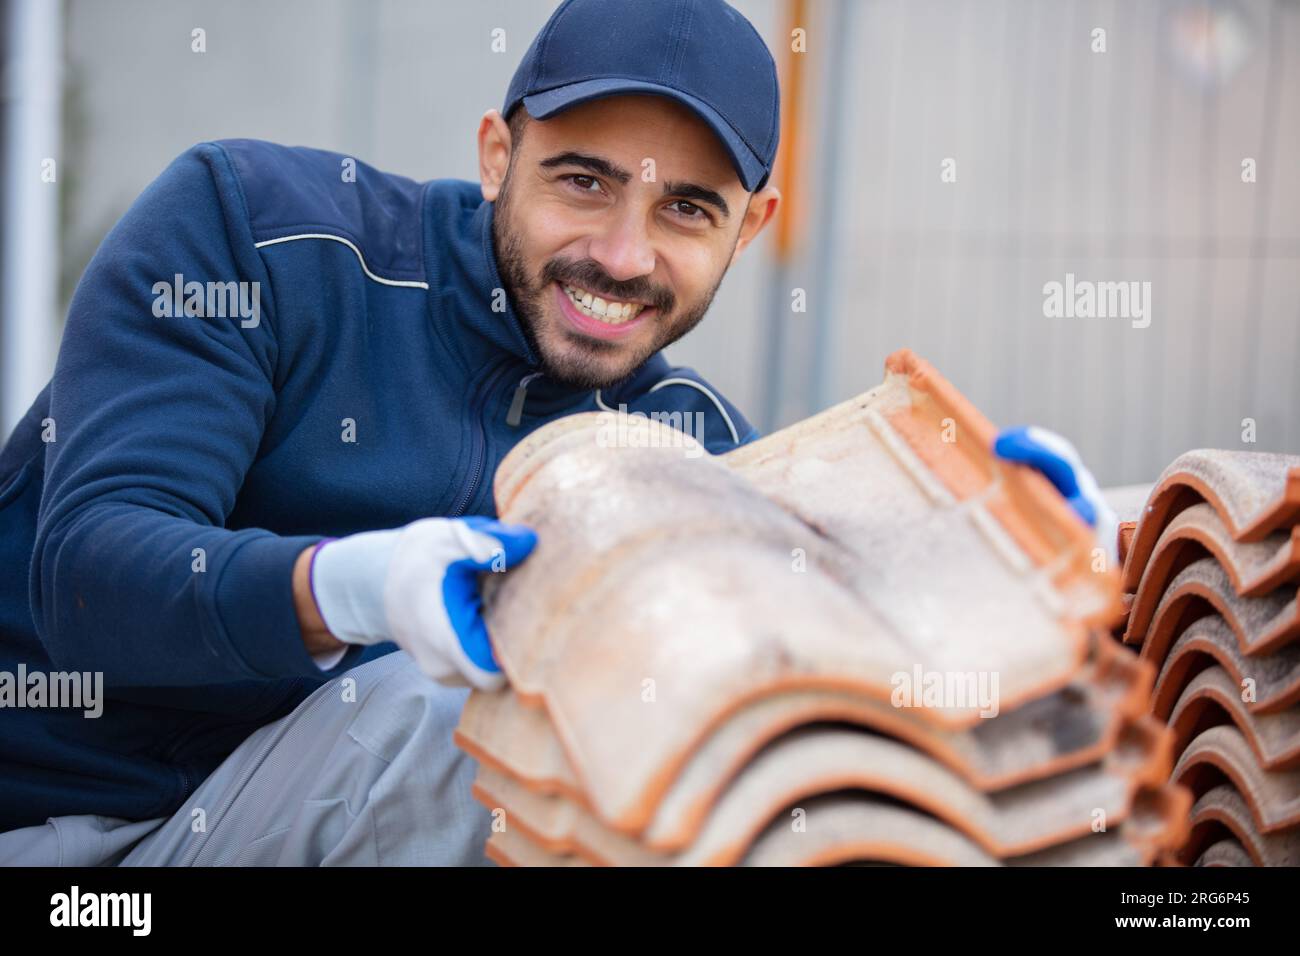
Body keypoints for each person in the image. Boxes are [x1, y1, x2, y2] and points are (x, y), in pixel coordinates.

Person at [0, 0, 1110, 866]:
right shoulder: (256, 233)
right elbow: (93, 573)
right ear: (496, 154)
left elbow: (831, 670)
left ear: (751, 227)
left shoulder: (693, 445)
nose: (622, 256)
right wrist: (356, 586)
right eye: (581, 181)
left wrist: (1012, 555)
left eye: (686, 207)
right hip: (76, 839)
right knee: (476, 717)